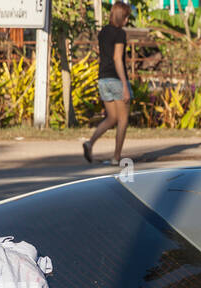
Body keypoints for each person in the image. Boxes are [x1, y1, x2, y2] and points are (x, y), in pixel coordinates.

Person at [83, 2, 131, 166]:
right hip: (116, 79)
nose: (127, 20)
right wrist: (124, 85)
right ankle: (116, 157)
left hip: (102, 78)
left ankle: (90, 143)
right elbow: (117, 58)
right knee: (123, 119)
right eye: (126, 17)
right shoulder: (120, 34)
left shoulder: (103, 32)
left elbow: (103, 52)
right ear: (122, 17)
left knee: (112, 118)